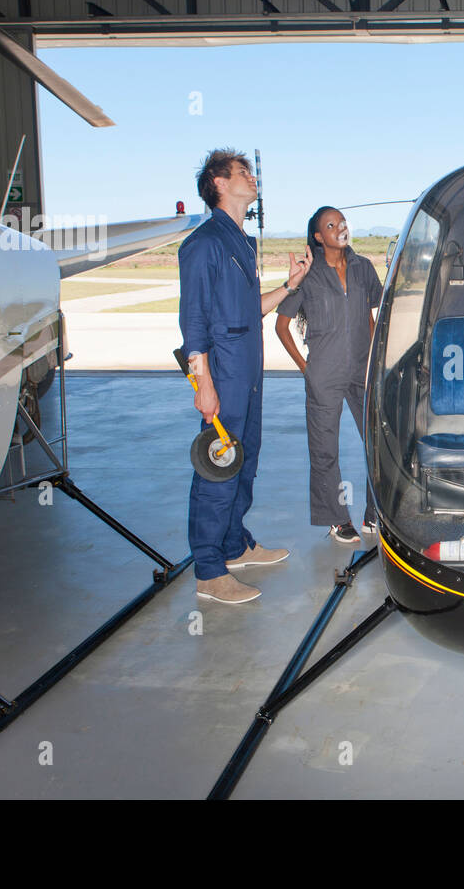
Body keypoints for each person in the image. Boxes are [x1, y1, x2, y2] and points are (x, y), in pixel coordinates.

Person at [179, 148, 310, 603]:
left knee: (245, 459)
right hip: (224, 374)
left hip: (249, 374)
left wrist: (290, 285)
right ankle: (209, 572)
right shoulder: (203, 244)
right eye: (243, 172)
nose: (253, 178)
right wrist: (204, 383)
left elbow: (249, 312)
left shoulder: (240, 241)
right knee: (218, 468)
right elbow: (193, 322)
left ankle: (234, 545)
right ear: (219, 183)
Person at [275, 206, 383, 544]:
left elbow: (369, 314)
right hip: (324, 371)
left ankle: (374, 513)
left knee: (379, 442)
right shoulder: (309, 273)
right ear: (319, 236)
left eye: (343, 222)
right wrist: (307, 369)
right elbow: (281, 327)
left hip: (362, 368)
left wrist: (375, 360)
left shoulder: (364, 268)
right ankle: (336, 518)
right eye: (331, 225)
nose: (340, 228)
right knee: (325, 449)